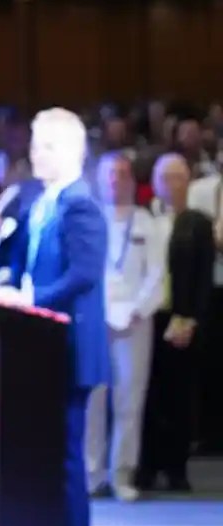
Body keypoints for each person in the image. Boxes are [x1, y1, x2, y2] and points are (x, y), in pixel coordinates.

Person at [0, 108, 108, 526]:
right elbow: (24, 263)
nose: (33, 153)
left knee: (67, 462)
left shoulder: (81, 206)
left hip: (70, 350)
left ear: (69, 151)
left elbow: (83, 275)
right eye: (33, 143)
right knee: (45, 457)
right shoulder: (39, 202)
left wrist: (29, 298)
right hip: (39, 347)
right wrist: (0, 284)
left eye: (44, 145)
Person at [90, 152, 165, 501]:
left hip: (134, 320)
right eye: (109, 174)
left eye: (121, 174)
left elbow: (157, 273)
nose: (115, 180)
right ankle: (92, 473)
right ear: (99, 179)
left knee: (129, 398)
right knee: (93, 396)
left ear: (132, 181)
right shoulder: (90, 220)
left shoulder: (147, 221)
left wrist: (139, 308)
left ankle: (122, 473)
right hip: (95, 318)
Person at [139, 153, 213, 492]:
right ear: (154, 182)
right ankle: (147, 465)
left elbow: (203, 276)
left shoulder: (197, 223)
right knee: (149, 394)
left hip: (183, 318)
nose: (171, 184)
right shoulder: (144, 219)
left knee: (181, 395)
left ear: (188, 181)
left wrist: (193, 318)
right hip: (149, 318)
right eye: (164, 177)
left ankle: (176, 467)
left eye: (178, 177)